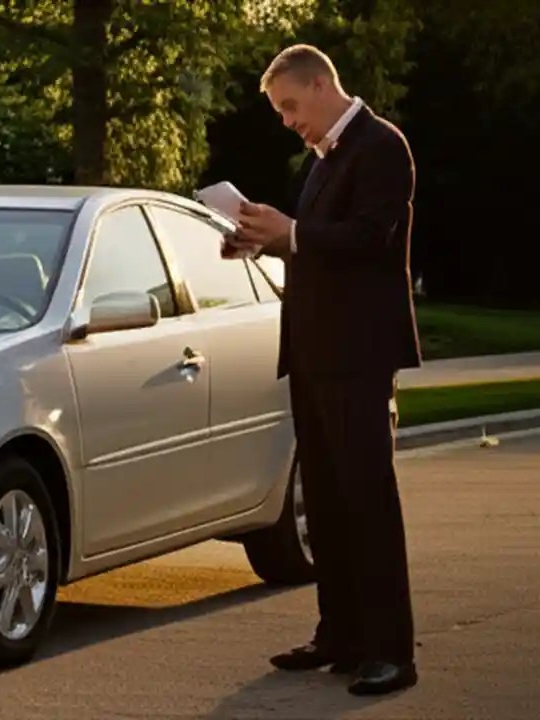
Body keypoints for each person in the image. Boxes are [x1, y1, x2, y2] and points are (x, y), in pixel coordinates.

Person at [230, 44, 422, 696]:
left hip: (360, 356)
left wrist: (295, 234)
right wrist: (260, 237)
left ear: (319, 86)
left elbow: (372, 238)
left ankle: (392, 651)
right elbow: (312, 249)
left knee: (368, 499)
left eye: (290, 107)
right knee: (329, 504)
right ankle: (338, 634)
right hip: (312, 354)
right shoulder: (318, 162)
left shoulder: (381, 147)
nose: (287, 121)